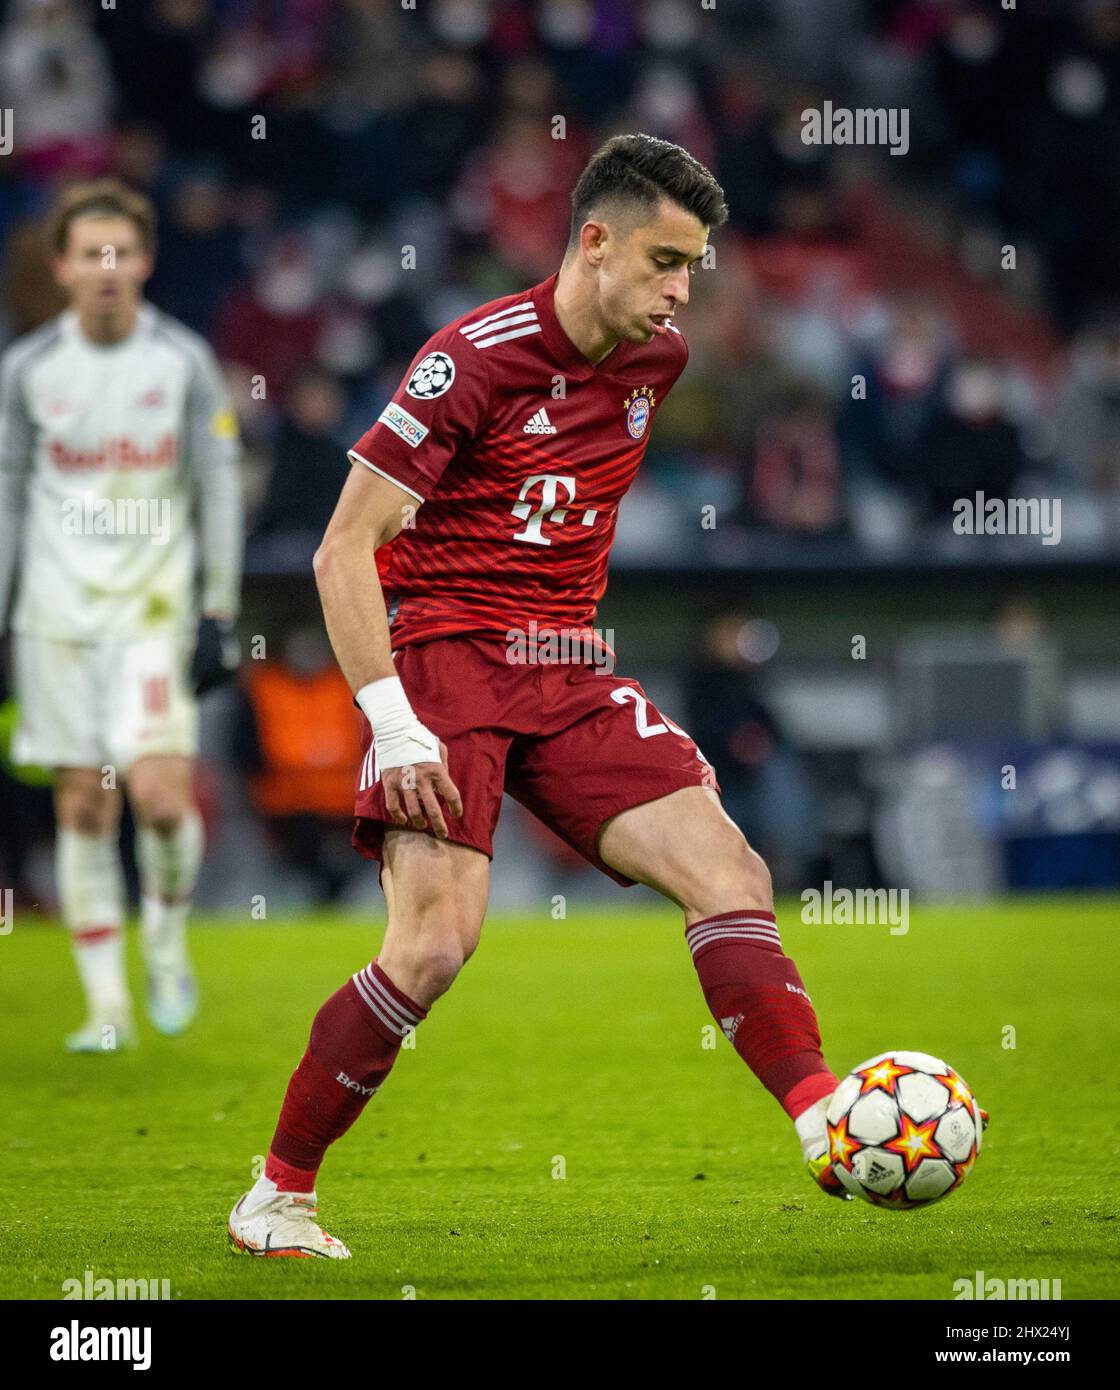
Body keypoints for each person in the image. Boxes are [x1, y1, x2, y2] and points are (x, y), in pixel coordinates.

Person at [228, 134, 847, 1260]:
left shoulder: (658, 362)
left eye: (694, 267)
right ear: (593, 240)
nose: (680, 290)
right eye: (665, 260)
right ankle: (277, 1194)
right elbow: (341, 550)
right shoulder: (468, 358)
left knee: (730, 872)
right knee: (434, 946)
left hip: (566, 663)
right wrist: (397, 723)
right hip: (444, 659)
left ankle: (827, 1119)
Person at [0, 179, 243, 1050]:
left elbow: (216, 488)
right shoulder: (27, 371)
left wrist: (219, 609)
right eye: (89, 254)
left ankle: (168, 939)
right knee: (83, 806)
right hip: (57, 619)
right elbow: (7, 499)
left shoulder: (180, 362)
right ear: (63, 267)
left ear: (143, 261)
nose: (106, 269)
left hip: (155, 610)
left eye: (121, 252)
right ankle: (106, 1009)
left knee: (162, 799)